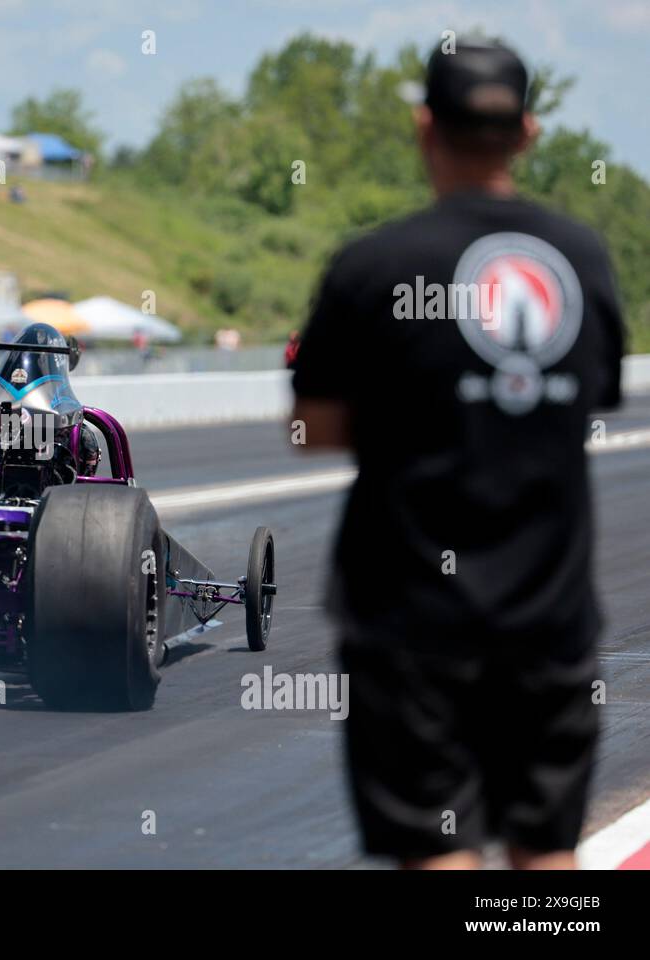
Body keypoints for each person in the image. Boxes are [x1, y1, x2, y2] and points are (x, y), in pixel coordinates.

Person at [291, 40, 625, 869]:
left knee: (434, 851)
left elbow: (312, 430)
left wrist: (415, 415)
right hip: (549, 614)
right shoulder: (581, 261)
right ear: (529, 132)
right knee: (547, 855)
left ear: (423, 127)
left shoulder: (373, 264)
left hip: (410, 619)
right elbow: (590, 398)